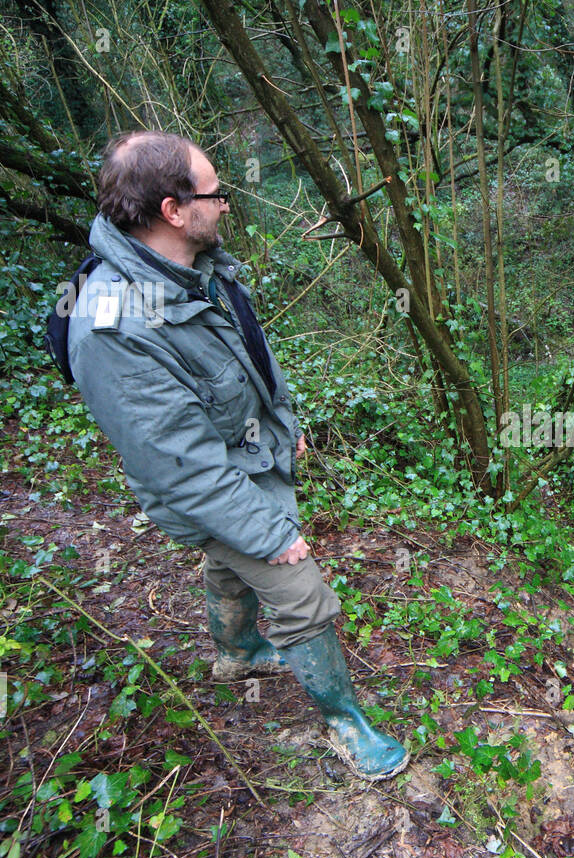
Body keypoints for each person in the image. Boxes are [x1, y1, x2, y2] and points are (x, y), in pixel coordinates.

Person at [66, 130, 408, 781]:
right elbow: (180, 466)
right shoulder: (115, 327)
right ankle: (345, 723)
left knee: (229, 566)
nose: (226, 203)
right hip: (212, 489)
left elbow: (249, 353)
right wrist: (270, 535)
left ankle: (240, 650)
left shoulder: (196, 266)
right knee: (300, 592)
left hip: (251, 457)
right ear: (172, 209)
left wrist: (285, 423)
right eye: (214, 192)